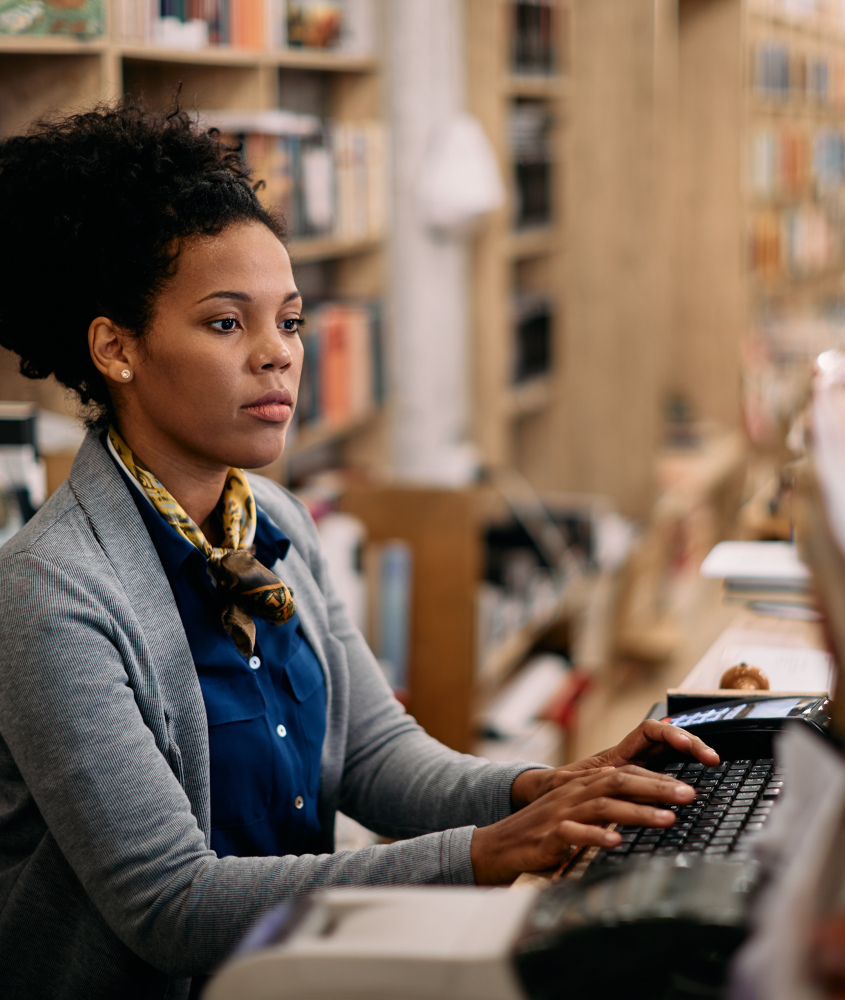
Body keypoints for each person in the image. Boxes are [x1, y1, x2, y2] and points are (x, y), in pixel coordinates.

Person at [0, 103, 718, 1000]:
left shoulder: (278, 522)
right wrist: (489, 853)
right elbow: (171, 905)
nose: (278, 358)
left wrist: (547, 787)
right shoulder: (50, 592)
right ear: (117, 348)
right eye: (228, 324)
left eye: (291, 322)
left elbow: (376, 759)